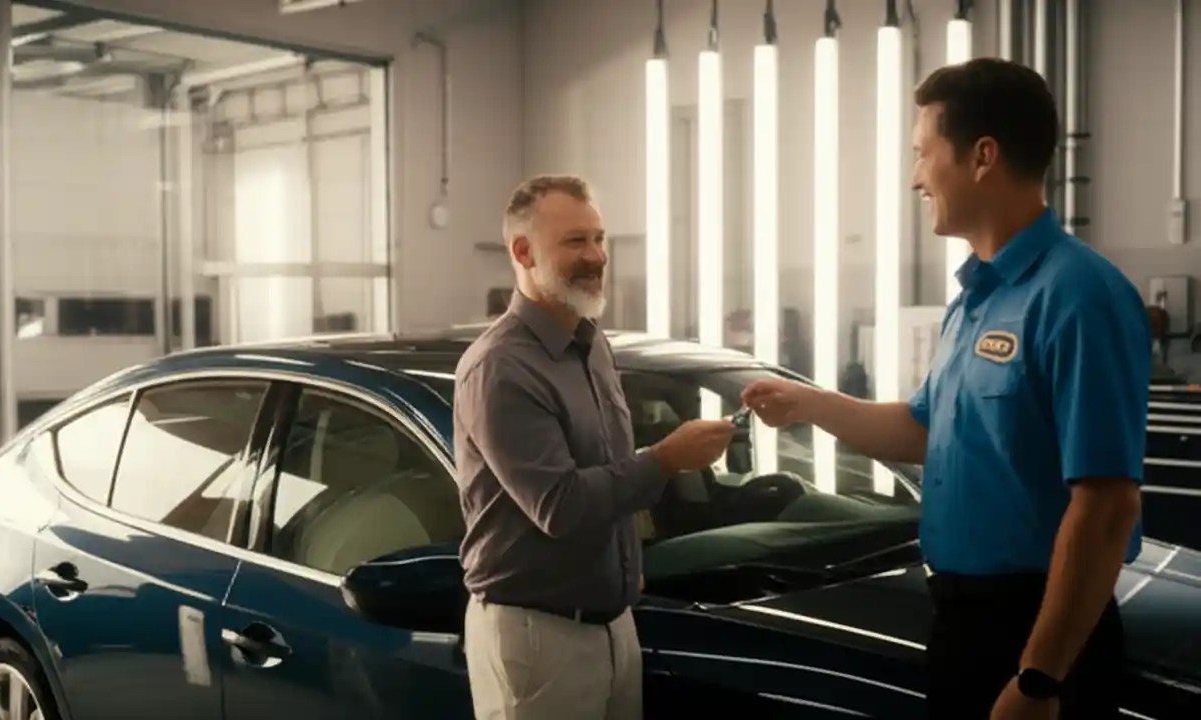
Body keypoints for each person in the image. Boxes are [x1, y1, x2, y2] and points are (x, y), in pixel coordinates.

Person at [741, 58, 1148, 720]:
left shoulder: (1078, 296)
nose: (914, 177)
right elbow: (925, 430)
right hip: (962, 624)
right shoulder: (974, 299)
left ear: (982, 156)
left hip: (1039, 633)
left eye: (923, 153)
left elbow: (1106, 507)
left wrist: (1040, 678)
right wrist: (810, 404)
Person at [453, 174, 735, 720]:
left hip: (613, 623)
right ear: (523, 251)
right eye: (575, 242)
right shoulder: (500, 368)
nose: (596, 256)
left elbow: (608, 478)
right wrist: (667, 459)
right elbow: (560, 505)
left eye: (600, 239)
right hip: (537, 637)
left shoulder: (594, 346)